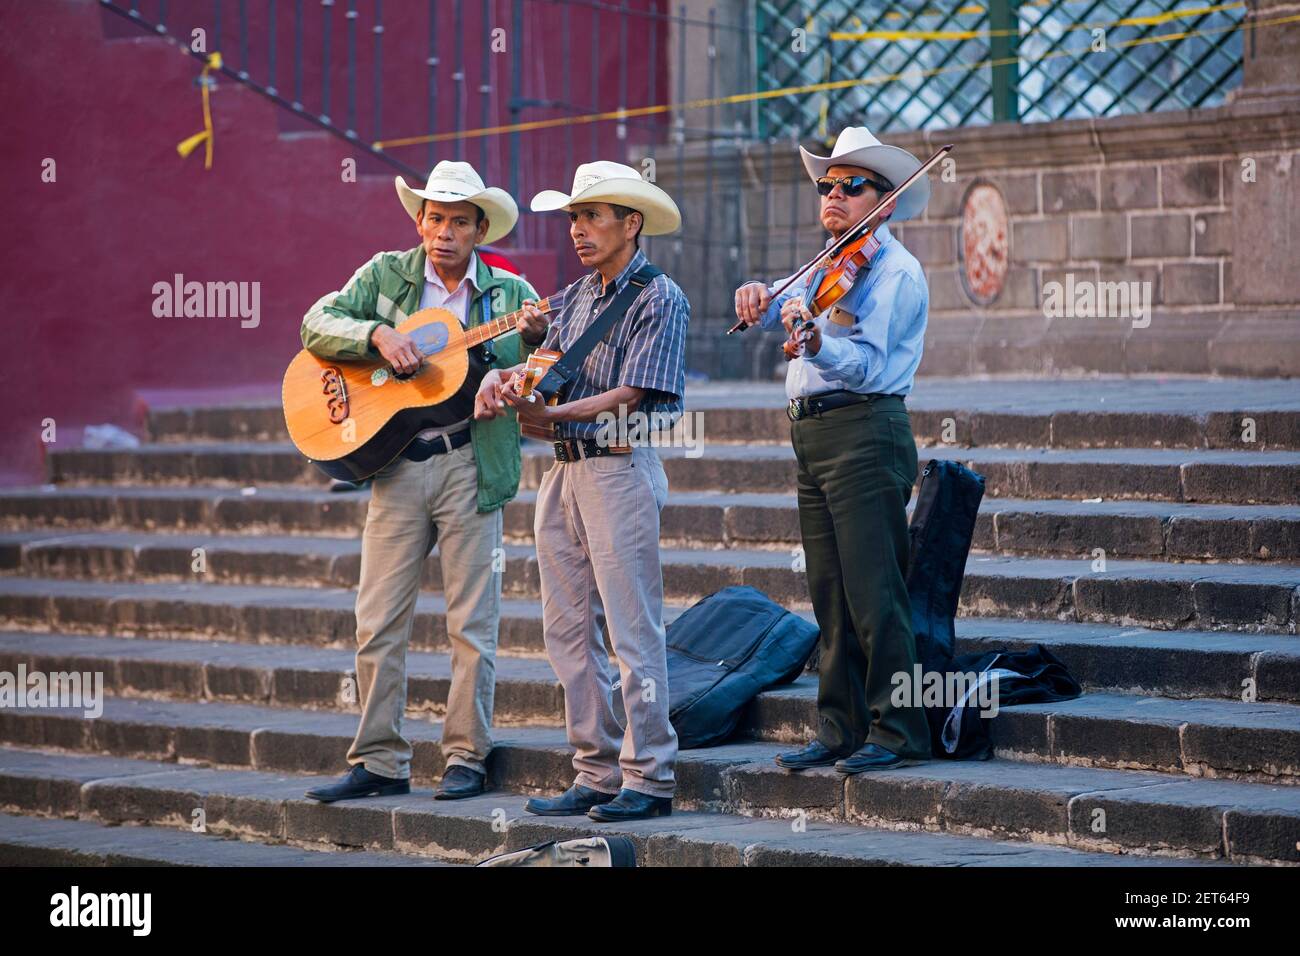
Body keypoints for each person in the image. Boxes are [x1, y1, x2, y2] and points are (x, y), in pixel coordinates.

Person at [300, 161, 546, 802]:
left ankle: (467, 754)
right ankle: (379, 760)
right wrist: (377, 334)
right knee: (377, 618)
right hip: (399, 464)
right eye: (434, 218)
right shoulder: (386, 274)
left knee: (473, 621)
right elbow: (316, 322)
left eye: (458, 221)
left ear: (479, 229)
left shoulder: (513, 299)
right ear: (420, 221)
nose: (443, 232)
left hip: (473, 461)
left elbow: (542, 379)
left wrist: (530, 357)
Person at [474, 161, 689, 822]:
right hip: (563, 472)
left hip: (619, 467)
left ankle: (649, 776)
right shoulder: (570, 298)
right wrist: (515, 376)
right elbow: (544, 374)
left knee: (632, 631)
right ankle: (595, 771)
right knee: (567, 631)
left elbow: (637, 394)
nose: (578, 229)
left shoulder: (661, 296)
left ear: (632, 222)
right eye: (573, 217)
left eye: (593, 215)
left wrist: (554, 415)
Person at [732, 126, 933, 774]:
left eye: (852, 186)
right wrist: (761, 297)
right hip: (814, 435)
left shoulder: (895, 272)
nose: (835, 195)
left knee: (875, 590)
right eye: (828, 185)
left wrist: (817, 345)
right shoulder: (827, 263)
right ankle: (840, 726)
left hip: (865, 430)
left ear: (886, 202)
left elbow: (869, 365)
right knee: (829, 591)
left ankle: (900, 729)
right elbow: (790, 304)